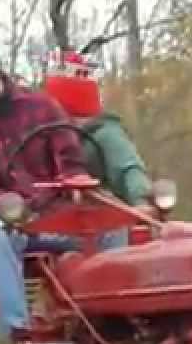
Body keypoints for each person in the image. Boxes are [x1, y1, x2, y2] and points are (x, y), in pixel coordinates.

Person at [0, 34, 90, 343]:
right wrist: (7, 204)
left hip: (48, 212)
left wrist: (72, 185)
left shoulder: (42, 107)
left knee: (110, 226)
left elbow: (70, 156)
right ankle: (19, 338)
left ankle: (108, 322)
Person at [42, 52, 153, 249]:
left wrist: (141, 199)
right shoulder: (39, 135)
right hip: (50, 221)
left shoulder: (104, 133)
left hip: (95, 218)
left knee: (112, 229)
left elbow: (128, 167)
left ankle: (116, 275)